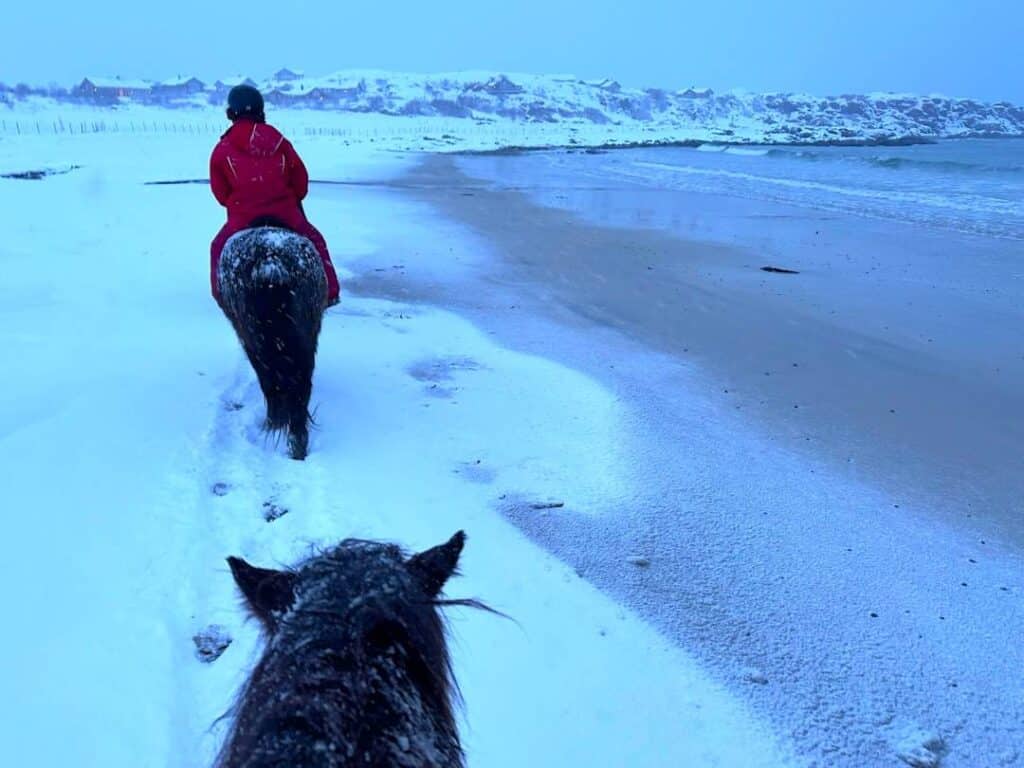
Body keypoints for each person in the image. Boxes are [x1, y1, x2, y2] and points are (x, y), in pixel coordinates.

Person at [209, 85, 340, 306]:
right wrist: (290, 198)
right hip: (286, 214)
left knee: (218, 248)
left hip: (243, 218)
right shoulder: (280, 143)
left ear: (231, 113)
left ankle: (222, 295)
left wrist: (240, 201)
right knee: (316, 241)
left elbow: (221, 194)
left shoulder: (222, 149)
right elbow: (300, 181)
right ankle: (330, 292)